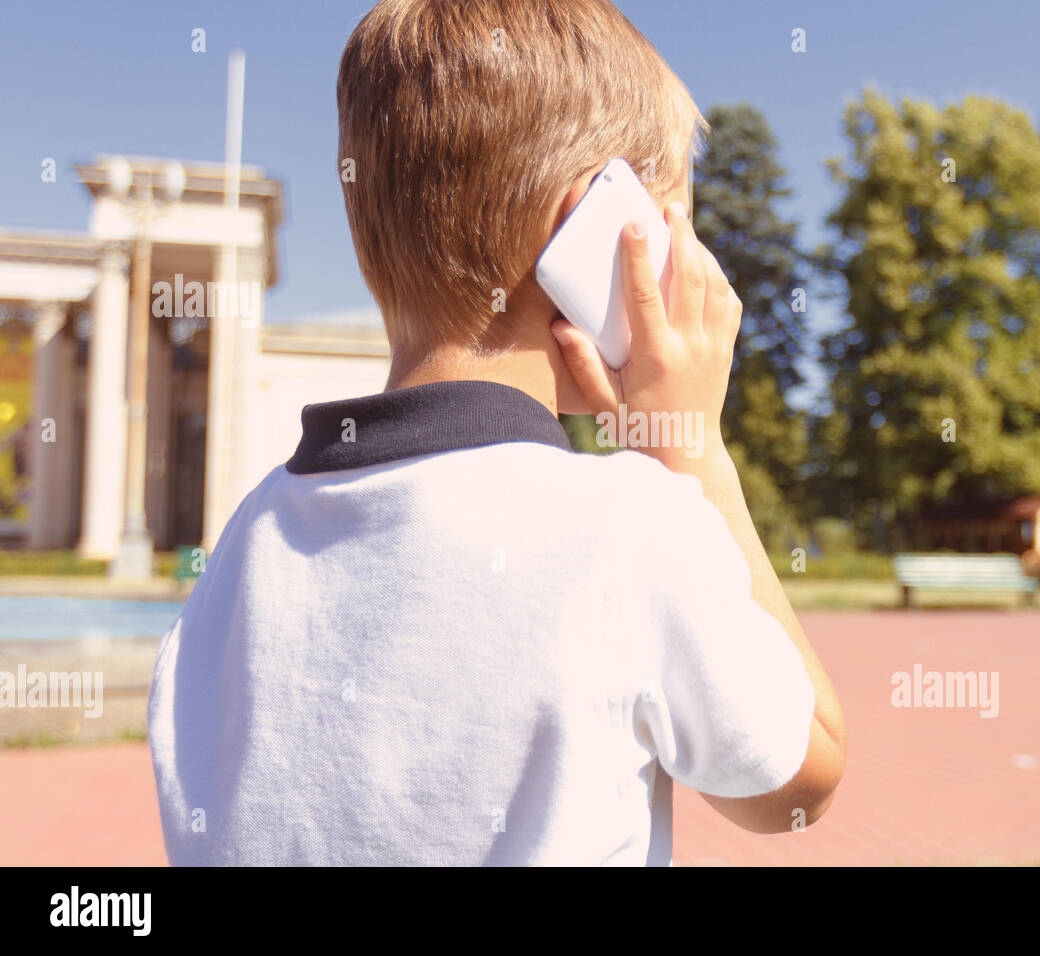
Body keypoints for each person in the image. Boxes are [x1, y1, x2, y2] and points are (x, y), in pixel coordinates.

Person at [148, 0, 846, 865]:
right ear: (599, 233)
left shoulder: (242, 551)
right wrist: (689, 443)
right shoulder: (629, 526)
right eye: (674, 229)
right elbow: (802, 778)